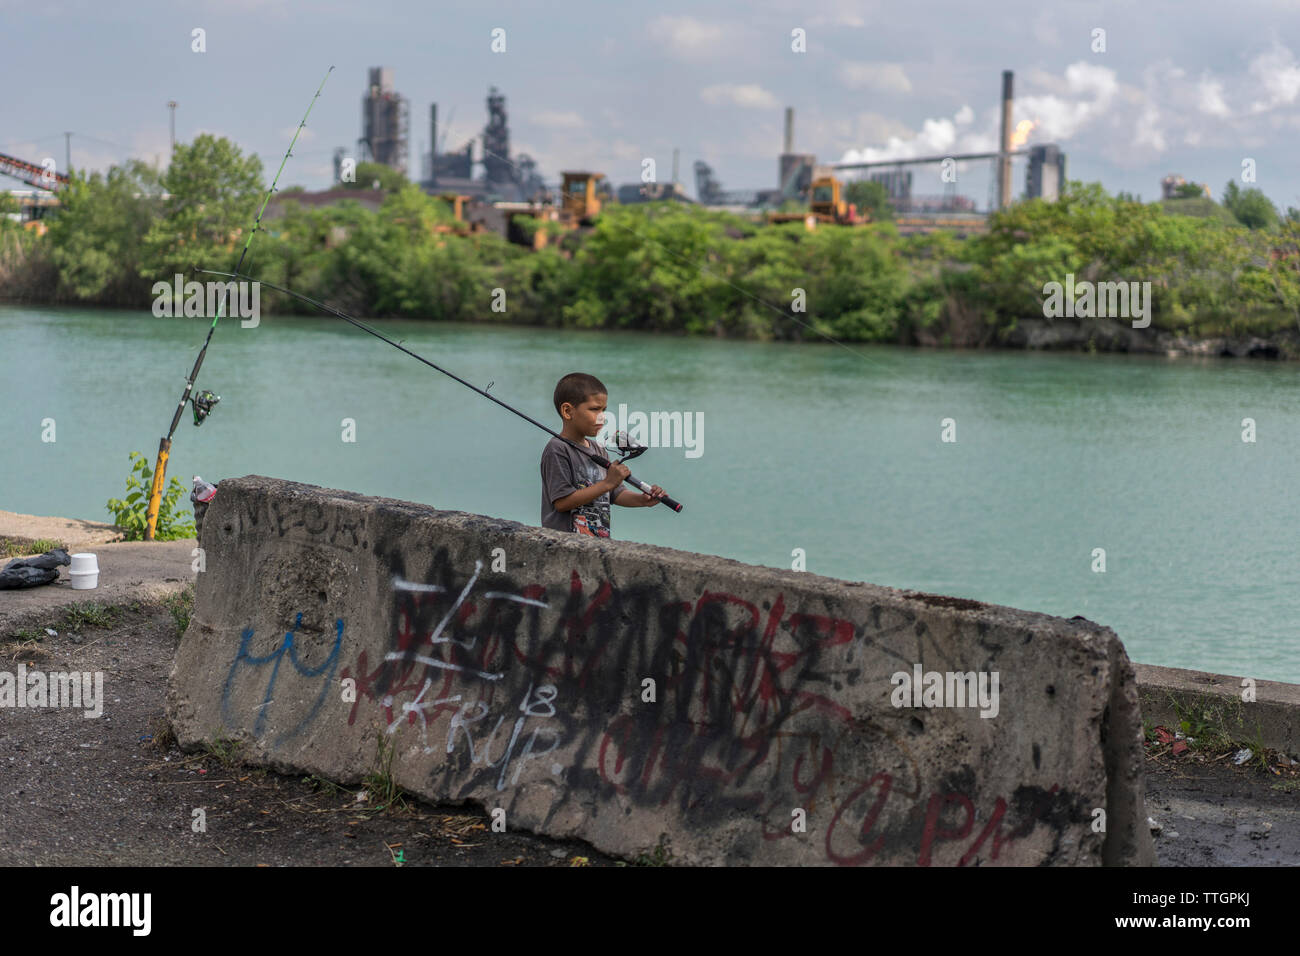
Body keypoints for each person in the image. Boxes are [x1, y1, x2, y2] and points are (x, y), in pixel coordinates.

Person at [541, 372, 665, 537]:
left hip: (597, 543)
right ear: (567, 411)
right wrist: (607, 482)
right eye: (594, 409)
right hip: (565, 545)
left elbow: (616, 494)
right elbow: (562, 503)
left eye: (604, 410)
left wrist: (643, 500)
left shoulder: (599, 450)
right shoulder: (557, 449)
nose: (602, 417)